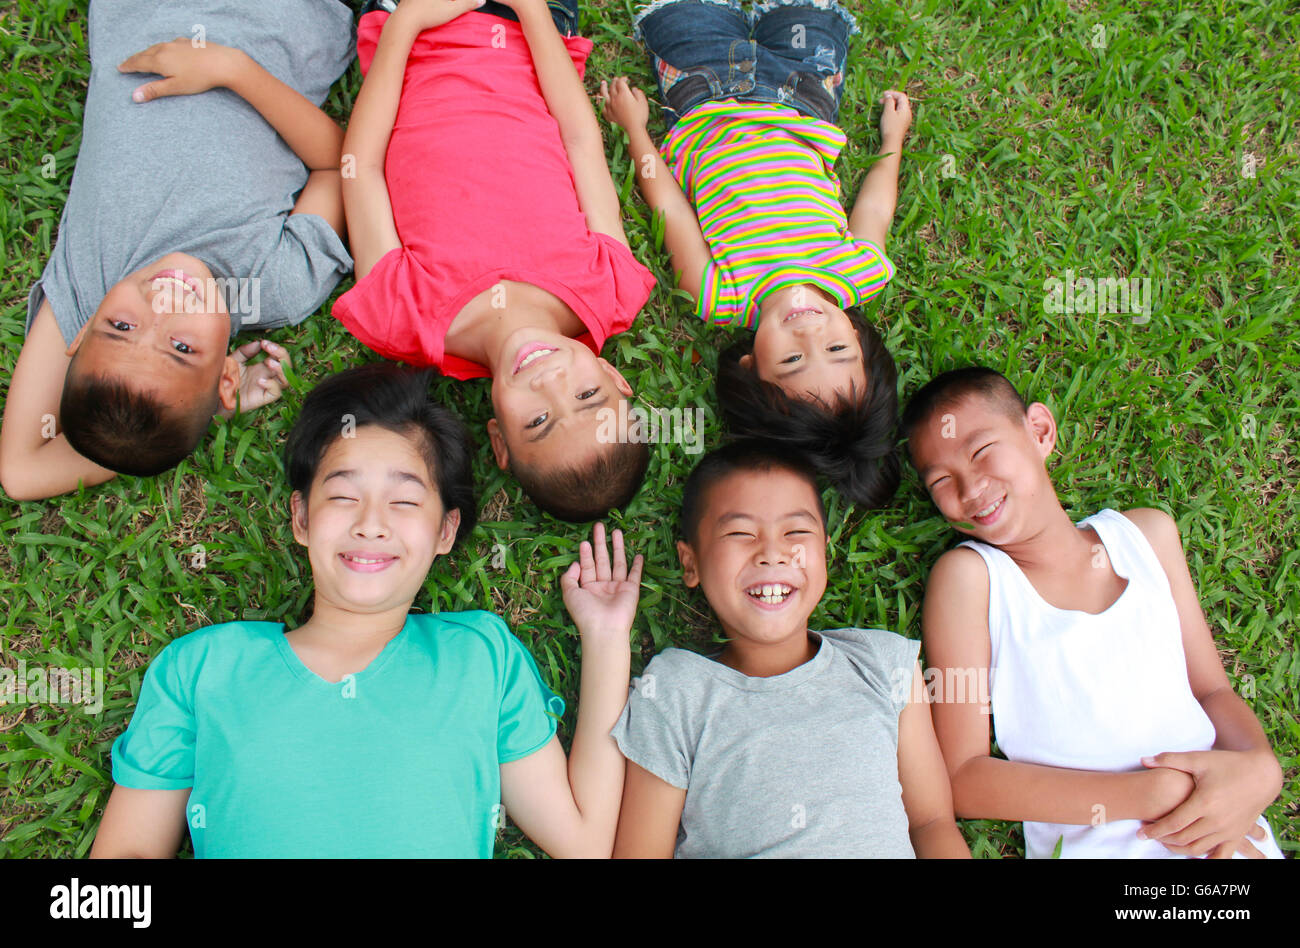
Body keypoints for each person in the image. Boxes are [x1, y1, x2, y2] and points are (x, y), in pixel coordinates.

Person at [90, 362, 644, 857]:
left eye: (404, 501)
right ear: (301, 518)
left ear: (446, 530)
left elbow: (586, 843)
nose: (371, 523)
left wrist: (605, 636)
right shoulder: (203, 668)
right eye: (343, 496)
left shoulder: (481, 658)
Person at [904, 366, 1285, 858]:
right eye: (942, 482)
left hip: (1233, 830)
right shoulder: (973, 580)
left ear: (1040, 431)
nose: (971, 487)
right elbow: (963, 777)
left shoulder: (1146, 536)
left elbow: (1212, 690)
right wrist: (1148, 795)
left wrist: (1260, 767)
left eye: (981, 451)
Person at [0, 0, 355, 500]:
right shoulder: (271, 286)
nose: (160, 310)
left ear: (79, 334)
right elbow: (340, 167)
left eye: (121, 328)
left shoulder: (95, 278)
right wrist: (233, 69)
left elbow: (20, 472)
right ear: (227, 373)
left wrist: (193, 397)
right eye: (182, 349)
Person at [334, 0, 658, 522]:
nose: (550, 381)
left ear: (499, 440)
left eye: (538, 423)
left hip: (414, 36)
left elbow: (361, 167)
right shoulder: (610, 288)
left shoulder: (404, 318)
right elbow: (578, 137)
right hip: (529, 29)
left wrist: (406, 24)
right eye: (587, 394)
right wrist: (529, 10)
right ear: (616, 378)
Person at [599, 0, 910, 507]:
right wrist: (892, 140)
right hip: (805, 97)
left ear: (749, 367)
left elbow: (671, 209)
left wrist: (635, 130)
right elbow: (875, 207)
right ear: (858, 338)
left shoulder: (720, 294)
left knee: (687, 11)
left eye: (792, 359)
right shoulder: (858, 275)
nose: (811, 332)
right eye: (837, 349)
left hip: (704, 95)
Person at [610, 440, 969, 857]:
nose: (773, 553)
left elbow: (931, 822)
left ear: (824, 552)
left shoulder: (883, 664)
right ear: (690, 564)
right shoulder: (676, 692)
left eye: (796, 532)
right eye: (740, 533)